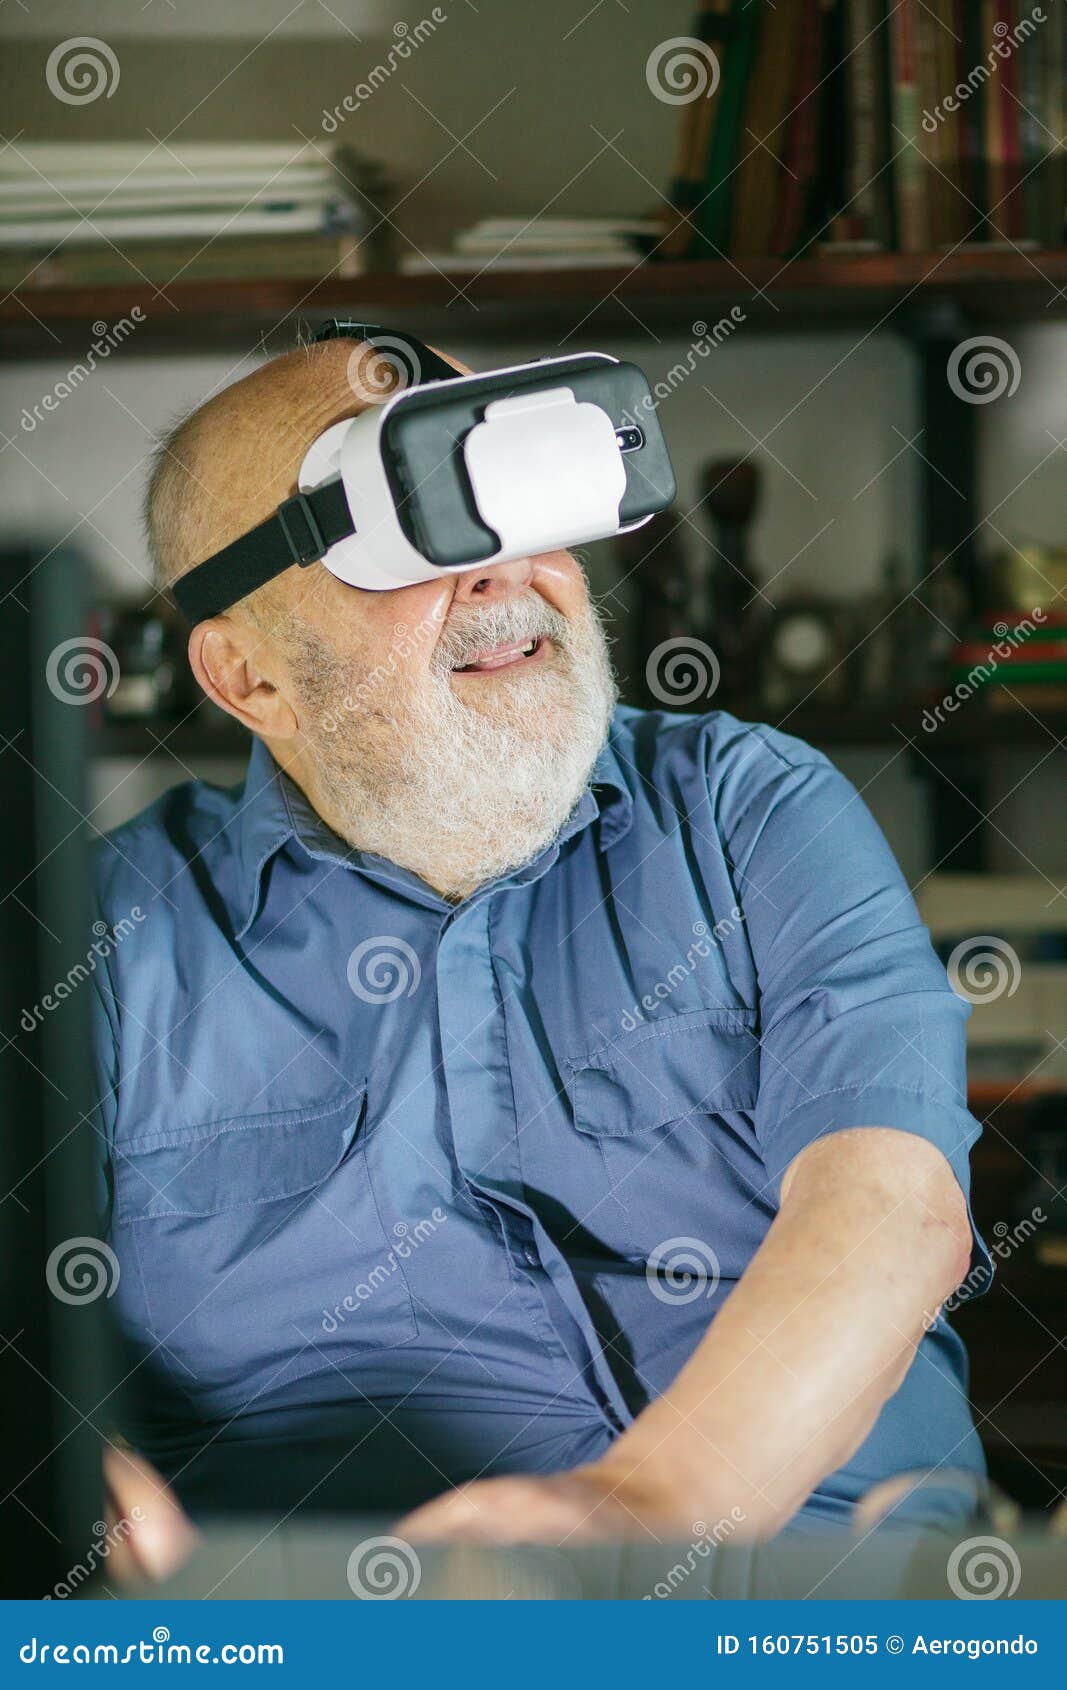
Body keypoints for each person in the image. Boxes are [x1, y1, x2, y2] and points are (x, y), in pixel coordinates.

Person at [91, 333, 989, 1565]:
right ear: (246, 672)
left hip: (803, 1588)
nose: (501, 570)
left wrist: (645, 1509)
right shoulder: (102, 934)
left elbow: (891, 1204)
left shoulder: (749, 808)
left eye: (513, 495)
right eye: (400, 529)